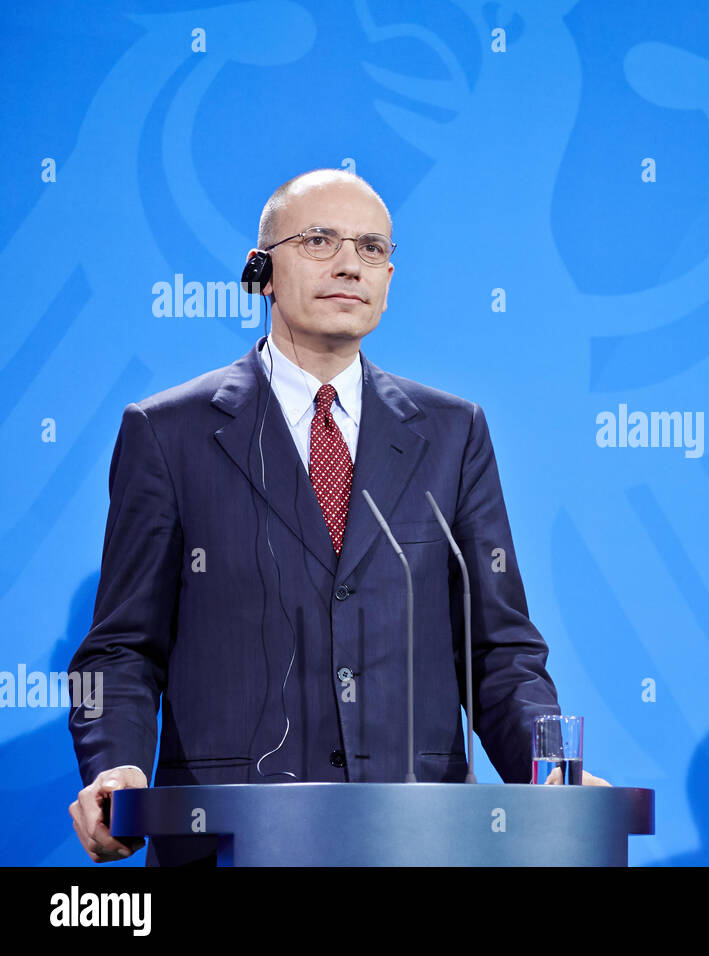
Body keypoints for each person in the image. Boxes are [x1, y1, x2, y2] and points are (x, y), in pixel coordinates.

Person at [68, 169, 600, 866]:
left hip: (421, 836)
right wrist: (117, 767)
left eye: (373, 248)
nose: (351, 263)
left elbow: (498, 650)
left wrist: (551, 771)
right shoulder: (169, 434)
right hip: (231, 838)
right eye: (320, 240)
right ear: (261, 271)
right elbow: (122, 648)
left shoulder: (452, 433)